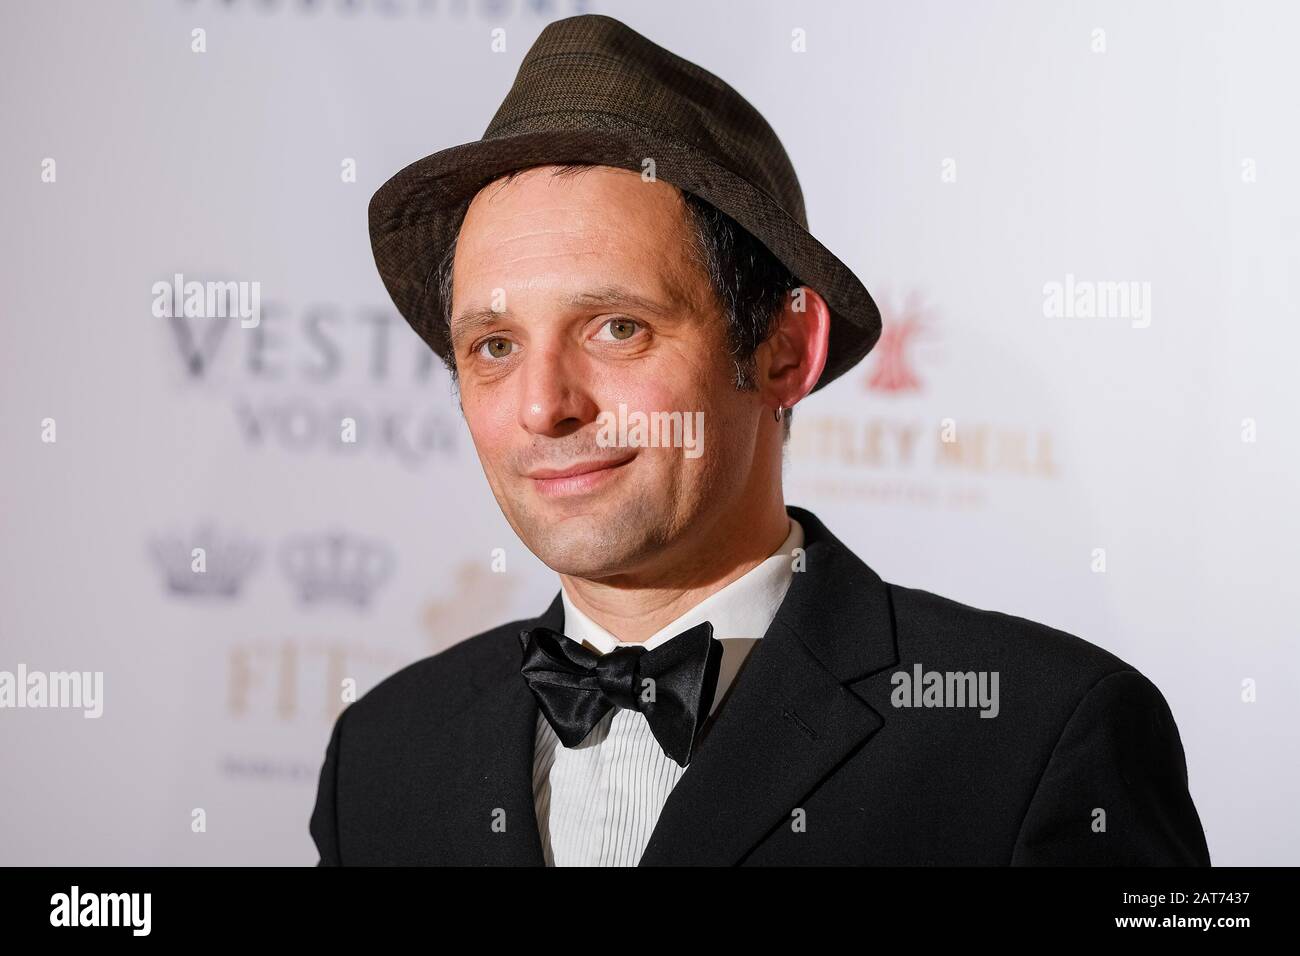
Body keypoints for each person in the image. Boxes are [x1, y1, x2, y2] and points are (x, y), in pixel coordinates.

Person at [309, 14, 1210, 866]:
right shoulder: (384, 756)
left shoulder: (1038, 737)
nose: (544, 407)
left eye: (616, 328)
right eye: (494, 347)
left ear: (785, 351)